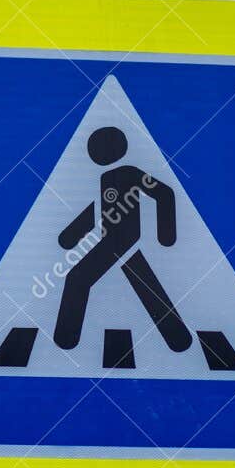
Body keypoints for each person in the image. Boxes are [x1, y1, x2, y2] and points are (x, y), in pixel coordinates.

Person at [54, 125, 191, 352]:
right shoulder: (106, 178)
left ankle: (65, 340)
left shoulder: (130, 172)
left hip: (124, 240)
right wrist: (70, 236)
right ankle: (179, 338)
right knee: (144, 284)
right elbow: (96, 212)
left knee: (78, 278)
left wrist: (166, 235)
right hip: (114, 241)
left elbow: (164, 194)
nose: (92, 152)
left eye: (96, 147)